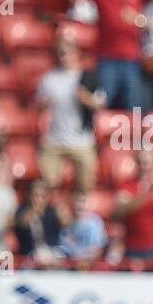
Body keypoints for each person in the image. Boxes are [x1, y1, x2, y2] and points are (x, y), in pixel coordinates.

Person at [68, 0, 145, 111]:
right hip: (108, 58)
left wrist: (139, 19)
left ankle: (133, 137)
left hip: (131, 59)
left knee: (134, 105)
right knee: (103, 102)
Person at [37, 31, 103, 191]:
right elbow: (39, 106)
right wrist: (43, 105)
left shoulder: (87, 77)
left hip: (81, 140)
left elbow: (100, 103)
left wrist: (86, 98)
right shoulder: (49, 78)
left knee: (86, 186)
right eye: (60, 52)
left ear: (76, 53)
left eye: (67, 52)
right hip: (55, 138)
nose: (63, 56)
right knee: (47, 185)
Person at [14, 178, 63, 263]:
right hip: (29, 256)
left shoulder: (51, 212)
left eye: (42, 196)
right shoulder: (22, 210)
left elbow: (66, 223)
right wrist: (34, 212)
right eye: (35, 195)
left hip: (51, 253)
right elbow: (21, 224)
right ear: (29, 195)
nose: (38, 199)